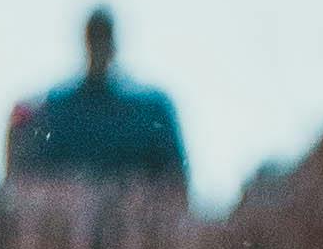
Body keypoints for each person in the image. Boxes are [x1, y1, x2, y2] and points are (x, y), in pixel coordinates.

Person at [11, 10, 190, 190]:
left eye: (103, 37)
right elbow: (21, 183)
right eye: (95, 37)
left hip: (136, 211)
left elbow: (176, 183)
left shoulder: (151, 109)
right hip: (66, 211)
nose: (99, 46)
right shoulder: (50, 110)